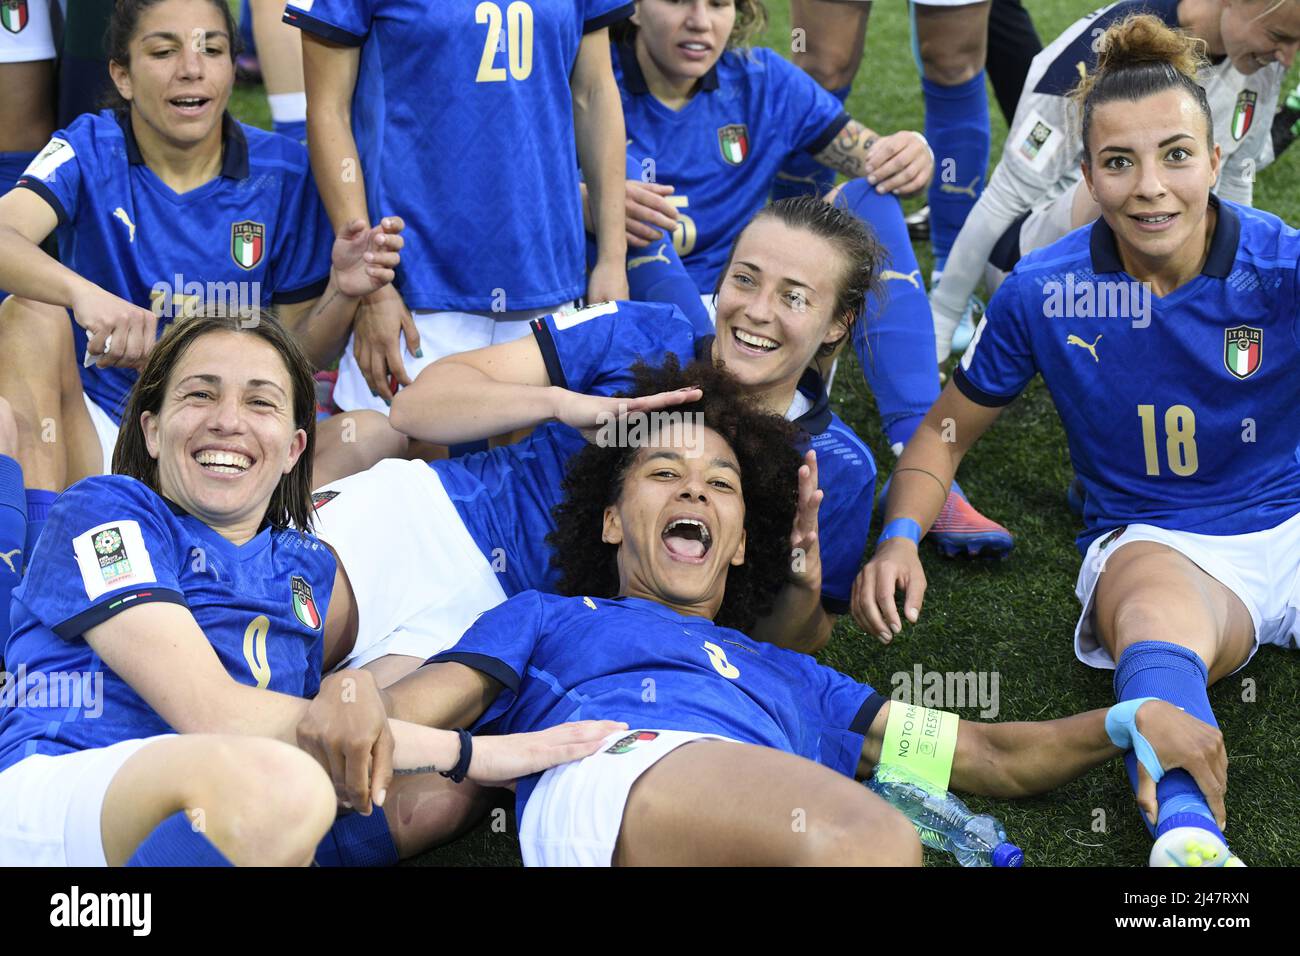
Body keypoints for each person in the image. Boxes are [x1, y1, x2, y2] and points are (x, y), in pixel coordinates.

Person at [297, 361, 1228, 867]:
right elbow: (412, 715)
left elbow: (981, 757)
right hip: (616, 772)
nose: (691, 490)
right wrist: (349, 695)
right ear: (614, 520)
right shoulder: (547, 615)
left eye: (721, 484)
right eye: (662, 473)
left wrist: (1123, 719)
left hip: (746, 803)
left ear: (742, 540)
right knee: (870, 837)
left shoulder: (802, 681)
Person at [853, 14, 1296, 867]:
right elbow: (944, 431)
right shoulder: (1045, 292)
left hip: (1291, 513)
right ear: (1087, 175)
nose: (1151, 187)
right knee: (1149, 614)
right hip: (1164, 543)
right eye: (1119, 163)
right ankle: (1189, 837)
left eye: (1176, 154)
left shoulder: (1280, 267)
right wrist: (902, 534)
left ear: (1215, 160)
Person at [0, 309, 623, 867]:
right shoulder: (108, 509)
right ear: (153, 431)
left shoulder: (307, 573)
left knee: (311, 795)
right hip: (60, 802)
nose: (227, 422)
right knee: (287, 786)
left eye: (260, 403)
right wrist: (473, 754)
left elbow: (326, 730)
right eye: (200, 394)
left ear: (296, 448)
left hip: (203, 826)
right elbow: (214, 712)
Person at [312, 199, 881, 692]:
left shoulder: (839, 467)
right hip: (440, 525)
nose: (758, 311)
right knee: (279, 639)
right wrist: (562, 404)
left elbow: (782, 647)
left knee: (371, 763)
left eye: (795, 298)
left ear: (838, 322)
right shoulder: (642, 332)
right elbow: (418, 406)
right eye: (745, 279)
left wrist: (801, 577)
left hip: (517, 640)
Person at [0, 0, 402, 641]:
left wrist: (344, 294)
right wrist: (83, 295)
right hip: (108, 437)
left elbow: (298, 355)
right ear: (123, 75)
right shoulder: (90, 144)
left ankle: (223, 576)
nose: (192, 69)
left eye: (212, 49)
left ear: (230, 69)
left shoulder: (284, 171)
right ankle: (33, 593)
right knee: (30, 312)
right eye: (163, 52)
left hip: (225, 440)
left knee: (375, 435)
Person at [607, 0, 1012, 556]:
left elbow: (874, 155)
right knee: (632, 217)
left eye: (719, 3)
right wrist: (587, 201)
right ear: (630, 8)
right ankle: (742, 438)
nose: (700, 21)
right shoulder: (592, 83)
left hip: (758, 296)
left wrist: (906, 154)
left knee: (876, 192)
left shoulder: (762, 79)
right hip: (660, 312)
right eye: (679, 0)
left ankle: (917, 456)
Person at [285, 0, 632, 419]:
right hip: (415, 287)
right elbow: (327, 112)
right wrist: (375, 289)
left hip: (547, 275)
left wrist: (613, 258)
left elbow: (594, 93)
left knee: (540, 476)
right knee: (390, 465)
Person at [931, 0, 1300, 363]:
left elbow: (1237, 178)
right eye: (1279, 35)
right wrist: (942, 319)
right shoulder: (1093, 54)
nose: (1287, 57)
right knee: (1133, 186)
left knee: (1195, 198)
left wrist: (1237, 295)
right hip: (1030, 257)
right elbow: (1005, 197)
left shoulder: (1261, 59)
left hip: (1157, 253)